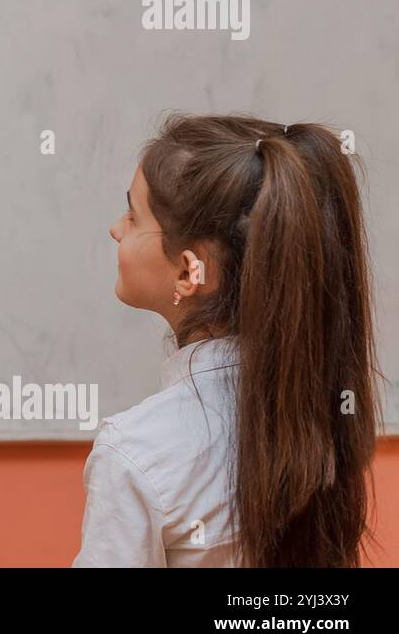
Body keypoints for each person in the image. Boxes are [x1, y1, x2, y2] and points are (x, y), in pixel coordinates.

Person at [74, 113, 380, 567]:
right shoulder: (322, 409)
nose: (117, 228)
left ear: (189, 271)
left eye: (134, 215)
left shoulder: (134, 453)